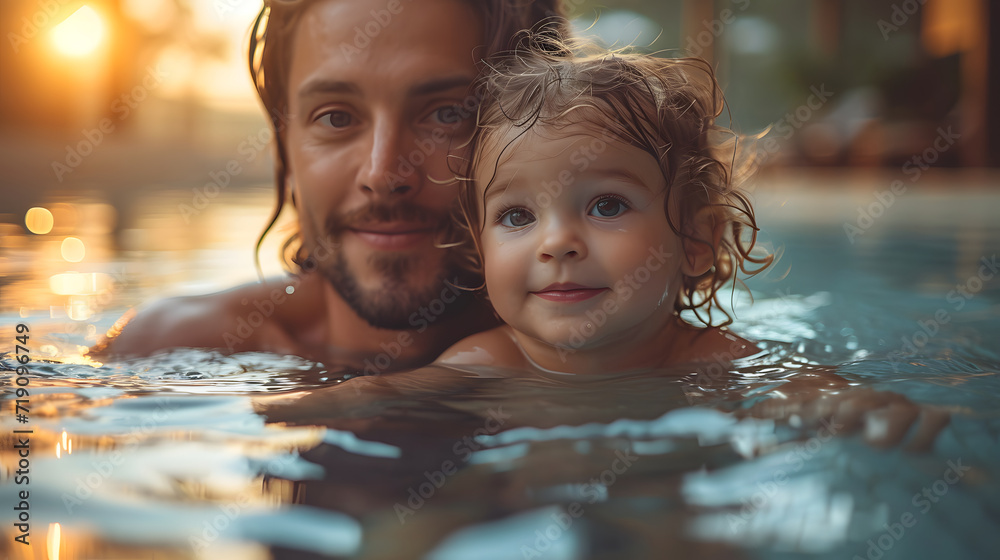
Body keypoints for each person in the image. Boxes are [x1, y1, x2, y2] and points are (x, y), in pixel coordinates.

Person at [92, 0, 568, 371]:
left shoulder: (618, 351)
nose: (383, 174)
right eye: (336, 117)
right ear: (286, 146)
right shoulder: (161, 349)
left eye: (448, 114)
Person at [437, 38, 773, 374]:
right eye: (517, 216)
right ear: (480, 249)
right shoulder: (478, 367)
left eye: (607, 206)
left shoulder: (723, 361)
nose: (555, 244)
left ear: (695, 241)